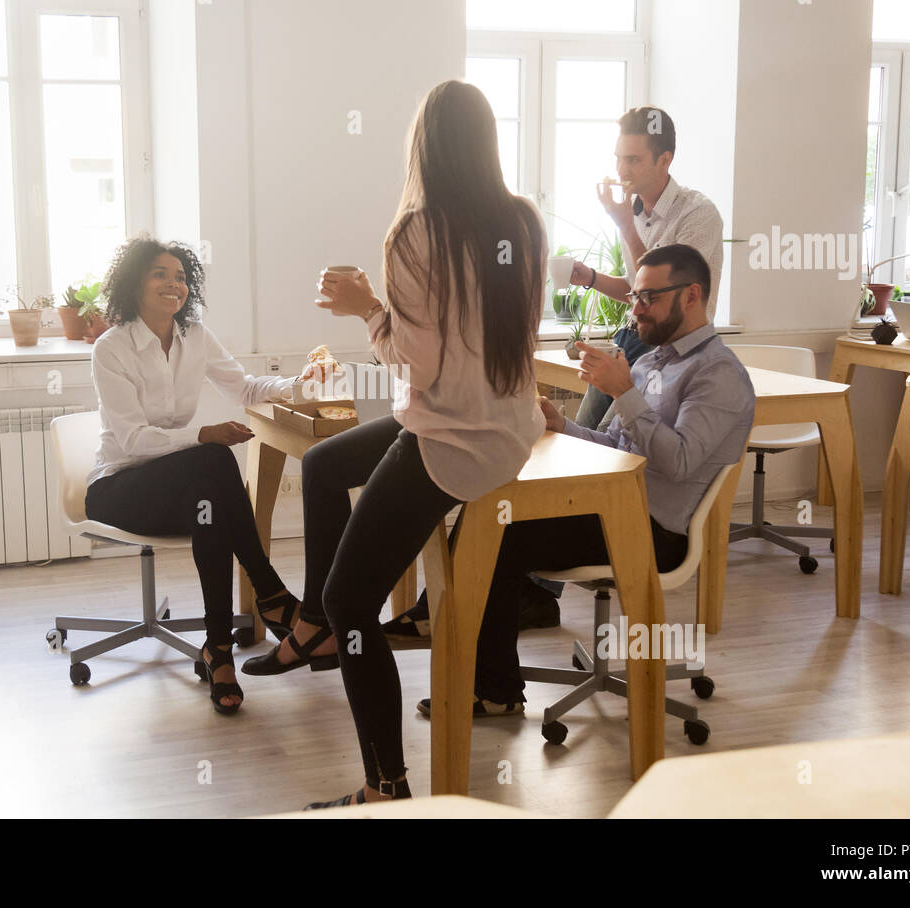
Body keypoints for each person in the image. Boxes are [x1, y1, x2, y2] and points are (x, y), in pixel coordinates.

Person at [241, 80, 547, 808]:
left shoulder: (416, 232)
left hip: (449, 438)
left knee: (356, 603)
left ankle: (386, 786)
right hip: (508, 427)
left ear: (424, 147)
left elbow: (418, 363)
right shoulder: (525, 223)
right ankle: (311, 623)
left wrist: (365, 308)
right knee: (322, 463)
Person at [415, 244, 754, 717]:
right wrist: (561, 425)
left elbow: (678, 462)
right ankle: (464, 648)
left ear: (692, 295)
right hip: (614, 510)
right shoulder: (650, 362)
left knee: (501, 533)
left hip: (656, 533)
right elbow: (615, 443)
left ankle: (490, 685)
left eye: (648, 298)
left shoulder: (719, 376)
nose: (635, 309)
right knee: (489, 506)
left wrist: (625, 392)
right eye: (634, 296)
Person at [84, 237, 319, 716]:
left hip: (182, 486)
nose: (175, 285)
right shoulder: (112, 348)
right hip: (120, 487)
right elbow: (133, 442)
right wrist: (203, 434)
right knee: (211, 459)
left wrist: (300, 385)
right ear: (134, 284)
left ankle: (219, 650)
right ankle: (271, 594)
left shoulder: (195, 336)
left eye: (181, 277)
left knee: (209, 495)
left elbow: (247, 386)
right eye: (160, 275)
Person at [572, 106, 724, 433]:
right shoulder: (634, 212)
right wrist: (591, 278)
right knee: (583, 435)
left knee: (609, 445)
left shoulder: (697, 214)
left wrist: (626, 226)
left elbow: (663, 295)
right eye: (619, 158)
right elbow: (635, 290)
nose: (622, 169)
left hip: (670, 351)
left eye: (633, 160)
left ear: (665, 160)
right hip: (630, 340)